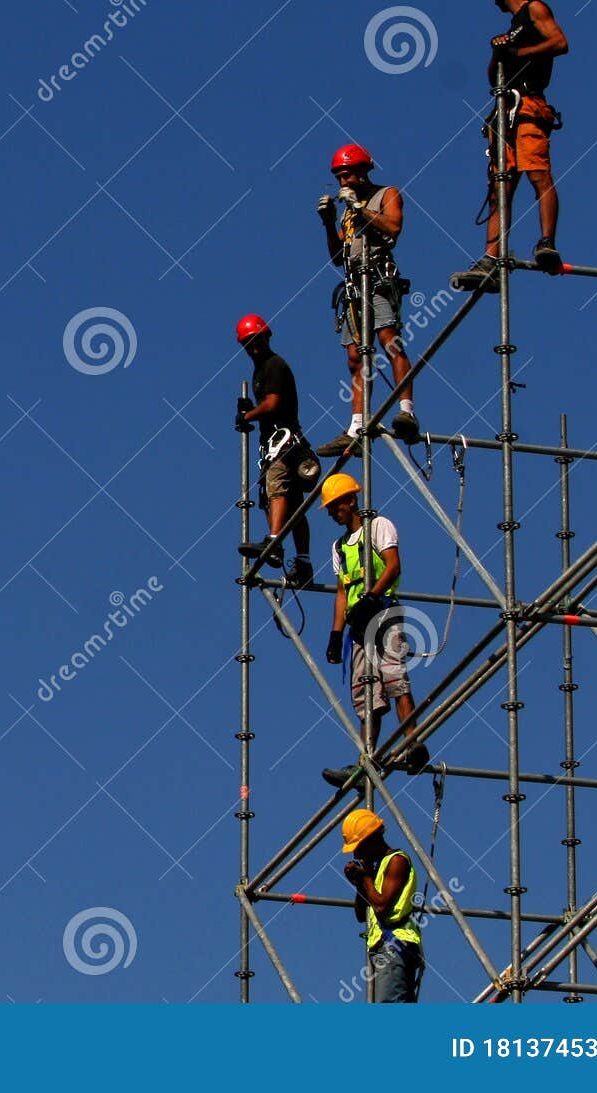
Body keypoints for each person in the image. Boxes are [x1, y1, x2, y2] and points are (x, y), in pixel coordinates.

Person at [453, 0, 570, 292]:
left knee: (537, 173)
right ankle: (490, 257)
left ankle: (546, 242)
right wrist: (498, 52)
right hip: (506, 113)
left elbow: (560, 43)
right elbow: (493, 79)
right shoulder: (513, 27)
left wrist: (519, 53)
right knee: (499, 187)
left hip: (529, 105)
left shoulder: (535, 10)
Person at [318, 474, 429, 786]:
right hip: (357, 626)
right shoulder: (339, 547)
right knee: (367, 695)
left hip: (382, 614)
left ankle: (412, 743)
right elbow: (342, 593)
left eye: (335, 505)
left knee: (395, 679)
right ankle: (367, 759)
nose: (332, 512)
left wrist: (372, 596)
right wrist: (335, 634)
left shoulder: (378, 526)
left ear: (351, 500)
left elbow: (393, 565)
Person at [314, 144, 420, 457]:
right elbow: (337, 256)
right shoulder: (348, 208)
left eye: (347, 174)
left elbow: (393, 228)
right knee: (355, 357)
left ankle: (406, 410)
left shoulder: (386, 194)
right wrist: (329, 222)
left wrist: (360, 209)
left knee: (390, 341)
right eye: (339, 177)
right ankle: (357, 426)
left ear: (362, 171)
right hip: (353, 285)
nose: (343, 181)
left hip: (378, 279)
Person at [235, 314, 315, 587]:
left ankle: (274, 541)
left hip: (284, 443)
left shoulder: (274, 365)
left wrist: (249, 416)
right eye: (248, 344)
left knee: (277, 487)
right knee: (290, 504)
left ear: (266, 337)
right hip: (277, 442)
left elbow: (273, 404)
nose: (253, 348)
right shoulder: (260, 370)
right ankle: (302, 561)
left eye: (256, 342)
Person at [340, 808, 424, 1003]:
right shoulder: (376, 870)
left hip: (396, 944)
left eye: (358, 846)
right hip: (383, 947)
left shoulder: (396, 861)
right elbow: (361, 914)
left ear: (371, 839)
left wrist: (365, 877)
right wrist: (360, 881)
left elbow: (380, 906)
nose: (356, 852)